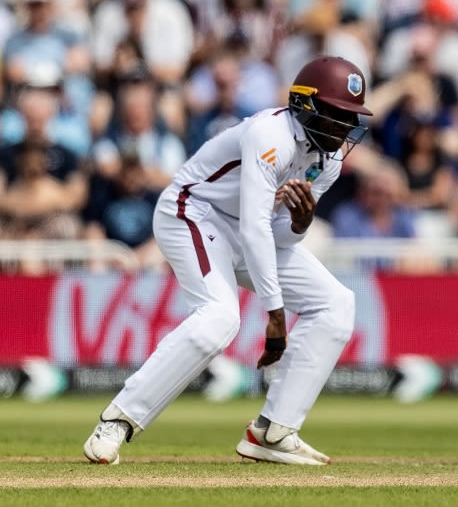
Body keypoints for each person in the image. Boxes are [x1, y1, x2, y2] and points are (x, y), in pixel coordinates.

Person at [82, 57, 373, 466]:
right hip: (193, 213)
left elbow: (278, 236)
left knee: (336, 305)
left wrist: (302, 221)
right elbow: (255, 227)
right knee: (220, 318)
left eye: (351, 118)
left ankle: (273, 432)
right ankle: (119, 419)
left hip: (246, 232)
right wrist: (274, 315)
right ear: (305, 105)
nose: (344, 128)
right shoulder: (270, 133)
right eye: (337, 115)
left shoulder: (329, 161)